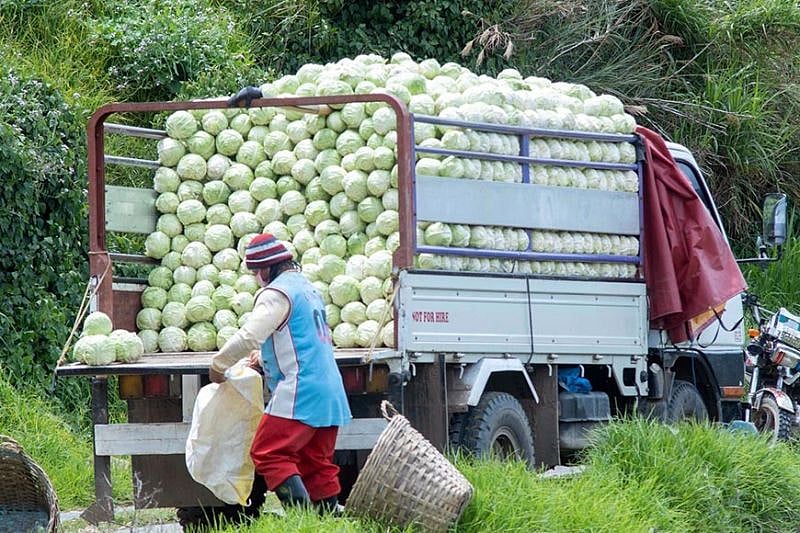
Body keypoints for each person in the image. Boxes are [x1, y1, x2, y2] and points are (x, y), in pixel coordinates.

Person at [209, 232, 351, 513]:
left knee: (268, 452)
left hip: (302, 389)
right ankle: (328, 521)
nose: (255, 278)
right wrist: (264, 358)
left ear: (263, 269)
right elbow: (300, 337)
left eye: (254, 272)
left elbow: (250, 335)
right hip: (330, 389)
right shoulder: (306, 288)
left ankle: (303, 521)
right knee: (316, 463)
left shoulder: (275, 294)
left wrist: (218, 365)